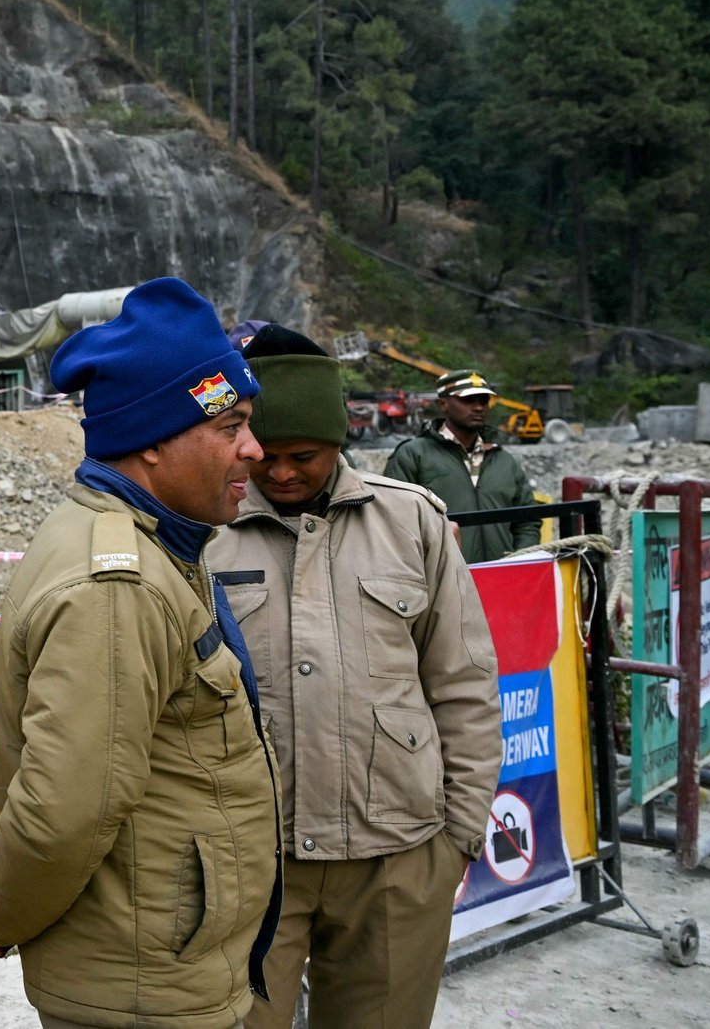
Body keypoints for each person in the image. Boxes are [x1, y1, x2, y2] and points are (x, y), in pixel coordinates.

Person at [0, 277, 282, 1029]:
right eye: (231, 426)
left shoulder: (153, 546)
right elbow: (67, 810)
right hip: (143, 987)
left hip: (155, 963)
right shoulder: (116, 584)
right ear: (152, 440)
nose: (254, 450)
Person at [208, 324, 500, 1029]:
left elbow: (463, 684)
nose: (280, 474)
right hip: (249, 861)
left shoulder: (412, 522)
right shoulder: (203, 532)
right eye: (265, 457)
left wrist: (457, 835)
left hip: (398, 858)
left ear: (340, 443)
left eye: (302, 456)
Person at [383, 368, 539, 563]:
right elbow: (393, 522)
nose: (479, 407)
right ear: (443, 405)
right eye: (468, 400)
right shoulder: (413, 455)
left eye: (483, 400)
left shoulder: (504, 460)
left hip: (502, 579)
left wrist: (520, 560)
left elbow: (527, 521)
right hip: (443, 584)